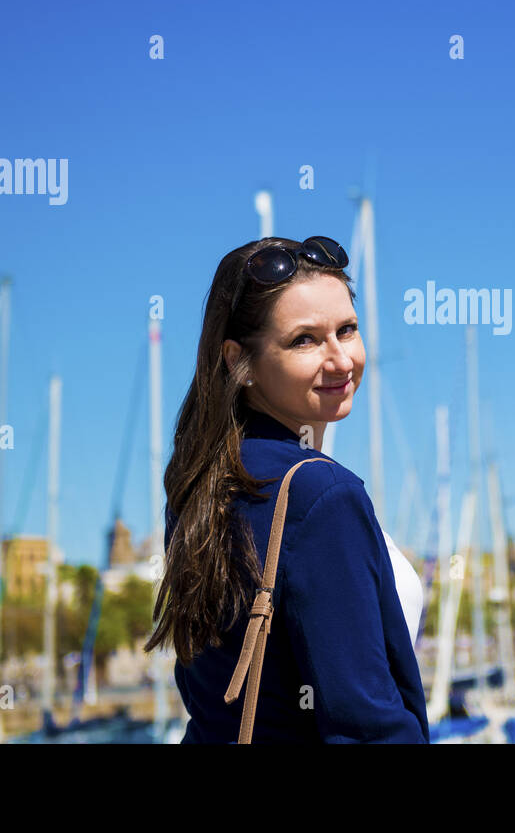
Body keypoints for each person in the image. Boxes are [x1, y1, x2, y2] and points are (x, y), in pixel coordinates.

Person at [145, 235, 429, 743]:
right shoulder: (322, 496)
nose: (341, 360)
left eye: (347, 330)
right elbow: (366, 726)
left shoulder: (198, 483)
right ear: (239, 361)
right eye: (305, 340)